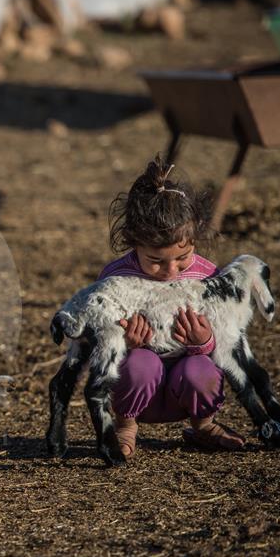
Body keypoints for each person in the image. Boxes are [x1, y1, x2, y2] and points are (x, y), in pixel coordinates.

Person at [100, 156, 246, 458]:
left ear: (195, 237)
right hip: (137, 388)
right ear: (133, 241)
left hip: (187, 386)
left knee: (200, 369)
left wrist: (203, 342)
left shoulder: (207, 277)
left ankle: (204, 425)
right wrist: (123, 344)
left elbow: (228, 335)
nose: (171, 271)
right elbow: (98, 336)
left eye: (182, 257)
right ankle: (125, 427)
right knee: (141, 363)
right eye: (155, 261)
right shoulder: (117, 279)